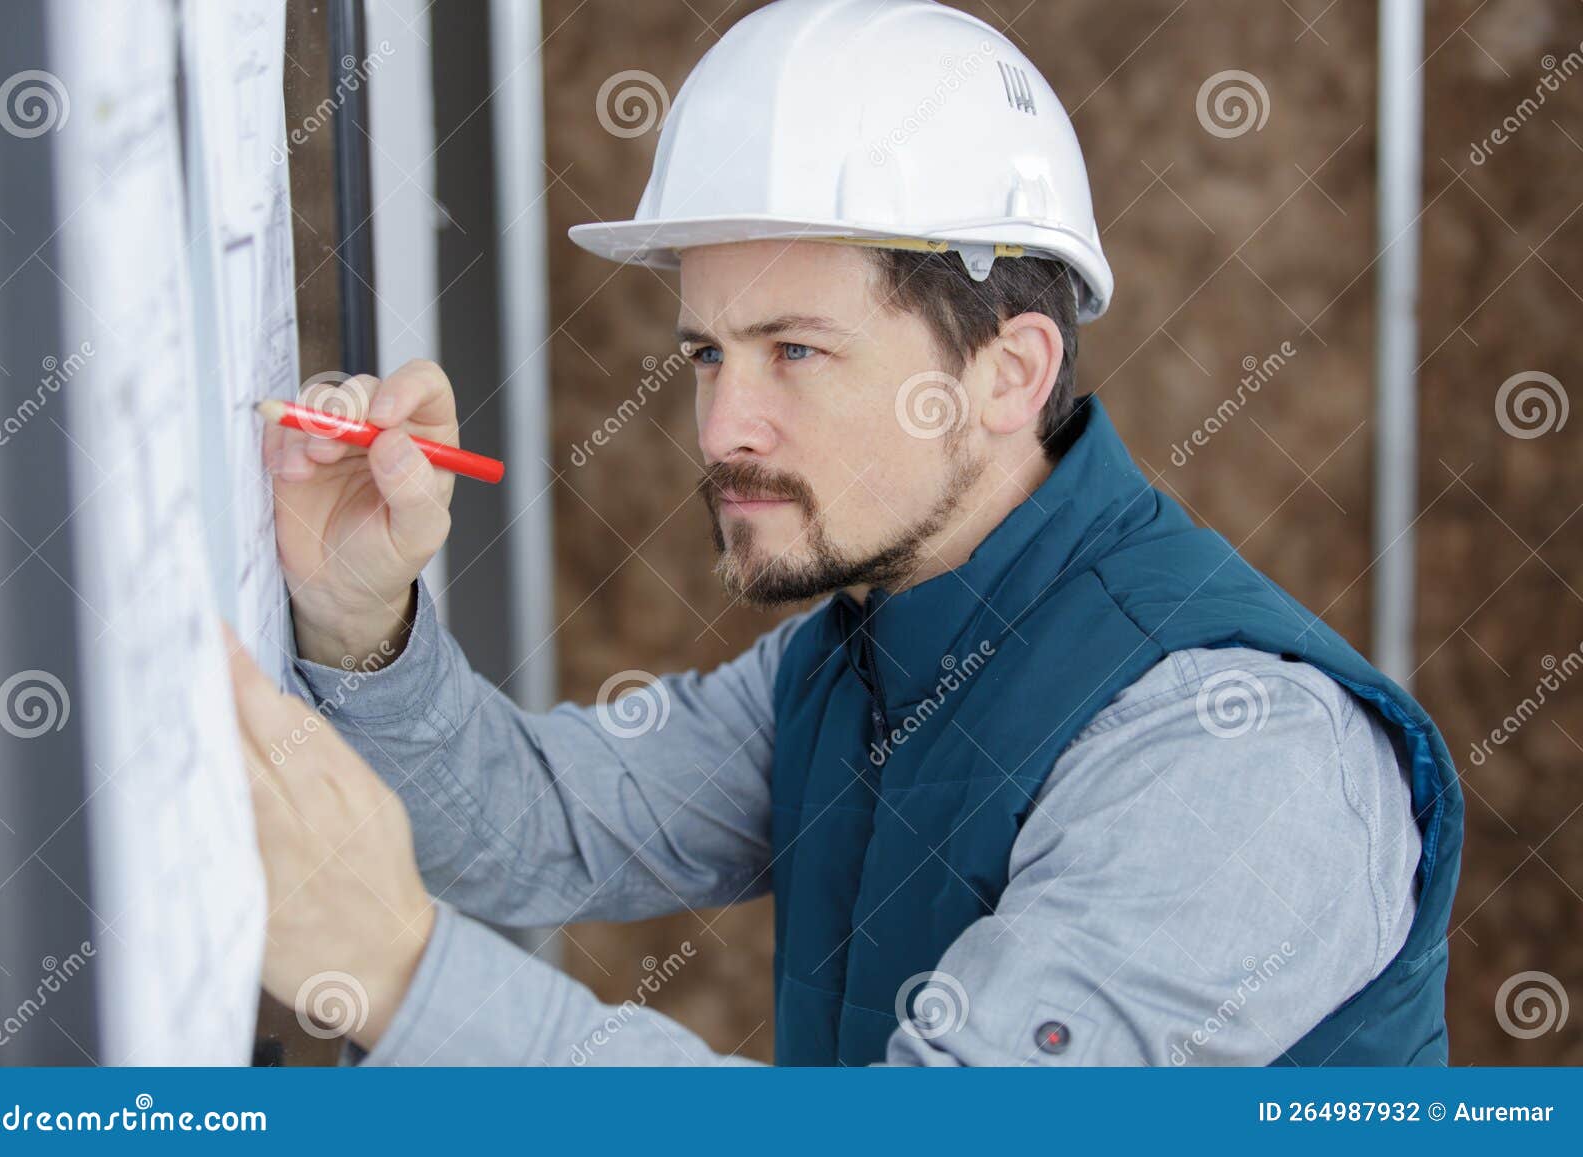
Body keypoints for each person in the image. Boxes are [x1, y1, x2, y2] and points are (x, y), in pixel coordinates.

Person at [227, 0, 1462, 1066]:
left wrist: (402, 973)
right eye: (708, 354)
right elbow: (539, 828)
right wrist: (360, 615)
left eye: (796, 351)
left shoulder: (1235, 754)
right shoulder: (864, 651)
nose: (724, 427)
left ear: (1008, 372)